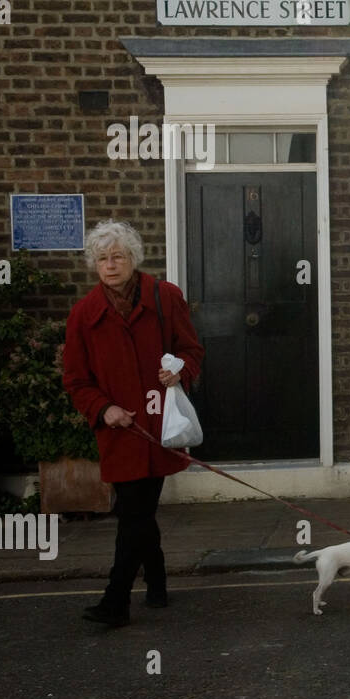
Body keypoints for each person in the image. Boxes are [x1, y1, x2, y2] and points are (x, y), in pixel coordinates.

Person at [62, 220, 204, 627]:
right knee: (136, 511)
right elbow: (75, 379)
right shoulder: (84, 314)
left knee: (135, 512)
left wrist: (179, 372)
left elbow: (191, 350)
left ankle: (116, 601)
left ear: (133, 259)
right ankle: (153, 579)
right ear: (94, 264)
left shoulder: (164, 297)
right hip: (119, 431)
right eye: (103, 258)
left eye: (118, 256)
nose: (110, 265)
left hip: (160, 426)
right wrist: (103, 408)